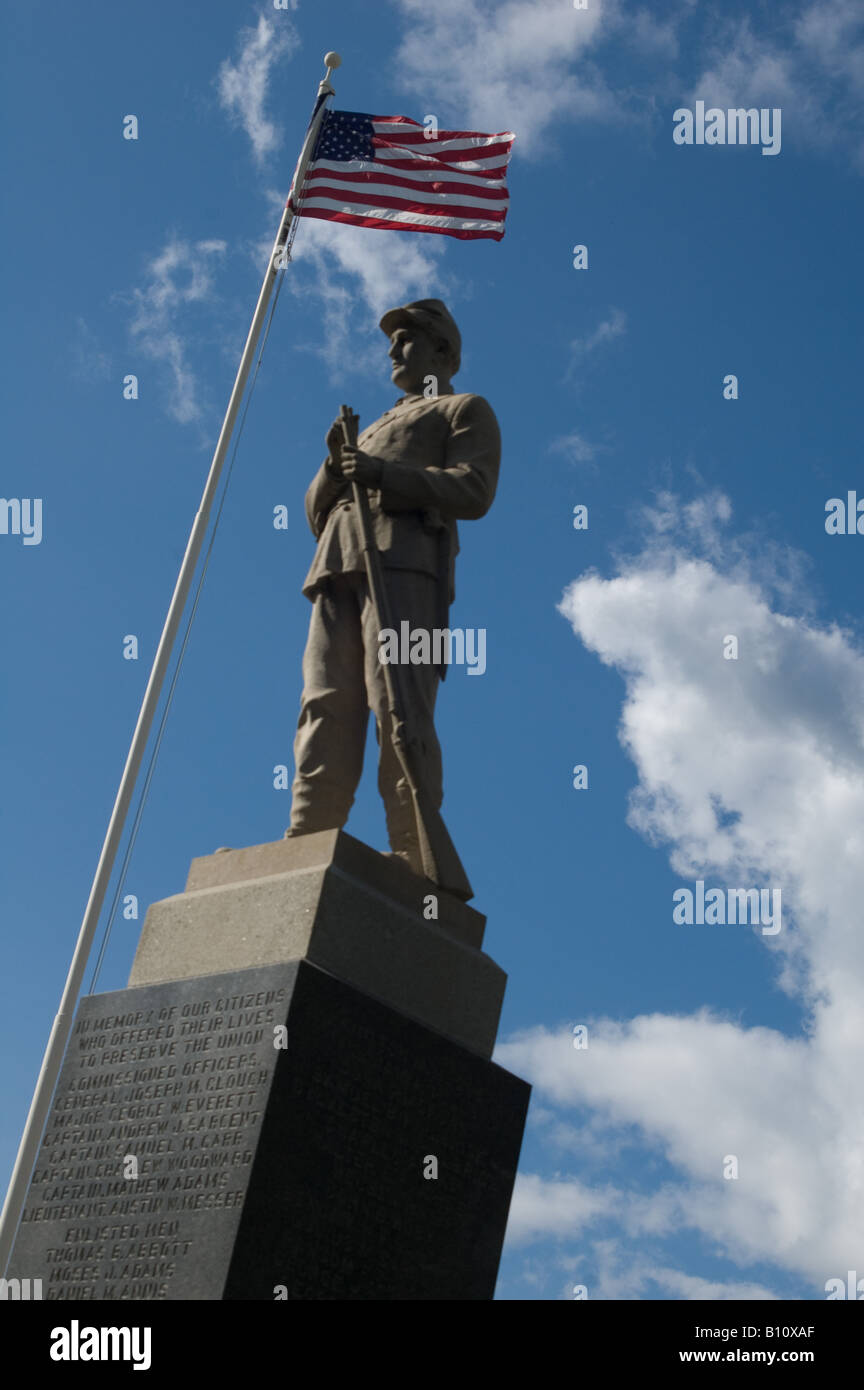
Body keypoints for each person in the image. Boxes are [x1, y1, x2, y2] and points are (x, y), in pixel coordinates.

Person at [287, 298, 501, 871]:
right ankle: (307, 837)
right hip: (338, 566)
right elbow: (314, 514)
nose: (392, 349)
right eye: (392, 339)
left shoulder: (462, 409)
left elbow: (473, 490)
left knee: (397, 706)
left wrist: (383, 474)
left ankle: (415, 852)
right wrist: (337, 466)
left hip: (406, 567)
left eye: (407, 338)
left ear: (442, 351)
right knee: (325, 703)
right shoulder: (374, 424)